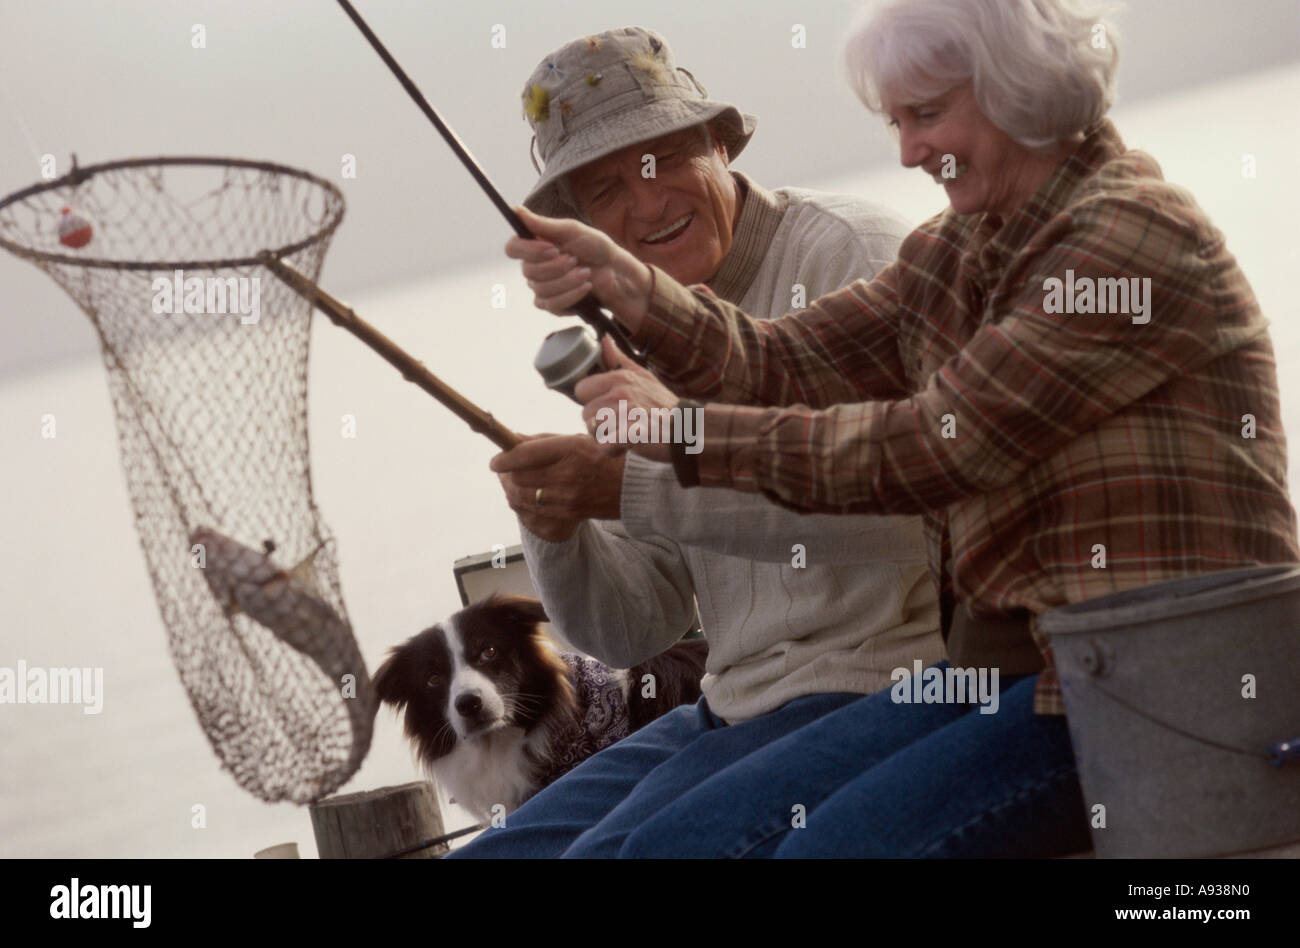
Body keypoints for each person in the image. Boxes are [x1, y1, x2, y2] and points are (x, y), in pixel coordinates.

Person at [503, 0, 1300, 857]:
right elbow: (783, 362)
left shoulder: (1127, 239)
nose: (908, 150)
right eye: (898, 120)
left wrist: (688, 437)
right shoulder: (959, 247)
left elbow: (939, 445)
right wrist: (630, 286)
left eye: (927, 115)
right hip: (1029, 676)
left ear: (1020, 92)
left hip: (1165, 691)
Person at [449, 27, 943, 858]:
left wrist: (632, 487)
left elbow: (917, 519)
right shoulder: (636, 332)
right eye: (606, 188)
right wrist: (554, 520)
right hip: (732, 706)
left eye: (663, 157)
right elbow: (640, 622)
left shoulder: (850, 253)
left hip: (893, 683)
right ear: (580, 224)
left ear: (722, 141)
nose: (647, 202)